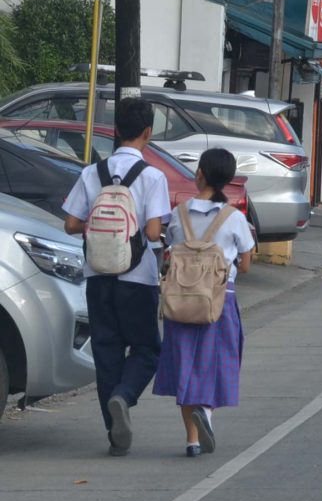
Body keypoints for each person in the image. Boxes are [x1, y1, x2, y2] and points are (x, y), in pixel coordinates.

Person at [62, 98, 171, 456]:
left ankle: (115, 434)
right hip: (138, 278)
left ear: (115, 131)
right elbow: (154, 233)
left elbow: (71, 224)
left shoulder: (92, 173)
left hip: (98, 276)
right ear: (148, 133)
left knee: (106, 351)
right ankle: (124, 396)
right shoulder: (154, 177)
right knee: (147, 348)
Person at [152, 148, 255, 457]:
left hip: (180, 300)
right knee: (217, 363)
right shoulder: (235, 218)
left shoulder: (179, 214)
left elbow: (168, 248)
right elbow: (246, 264)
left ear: (200, 174)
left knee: (185, 364)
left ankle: (192, 440)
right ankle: (207, 412)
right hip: (220, 300)